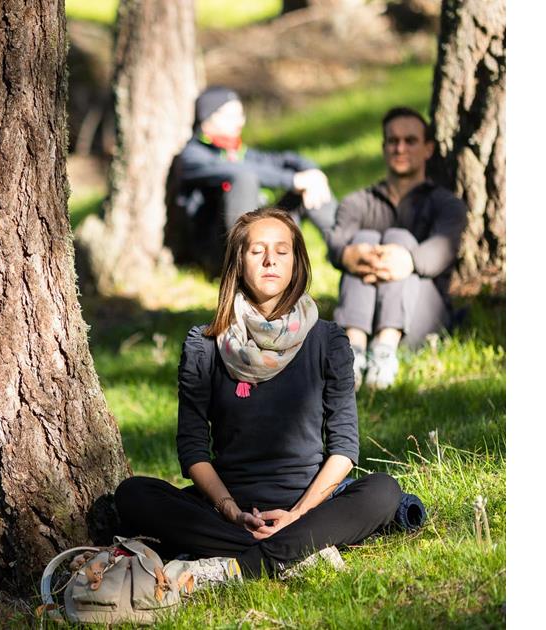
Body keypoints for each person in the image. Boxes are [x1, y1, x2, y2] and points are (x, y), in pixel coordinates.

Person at [114, 208, 401, 588]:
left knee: (384, 491)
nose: (270, 260)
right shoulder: (204, 345)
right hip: (227, 511)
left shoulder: (328, 341)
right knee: (133, 495)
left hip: (310, 505)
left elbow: (345, 449)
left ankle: (239, 566)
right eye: (258, 251)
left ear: (297, 262)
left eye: (282, 251)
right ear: (238, 261)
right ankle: (299, 553)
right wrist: (232, 512)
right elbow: (193, 450)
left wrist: (299, 514)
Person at [326, 107, 467, 390]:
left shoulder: (447, 204)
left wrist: (407, 259)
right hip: (365, 314)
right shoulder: (358, 202)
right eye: (393, 141)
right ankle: (353, 353)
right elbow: (336, 241)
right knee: (363, 237)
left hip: (421, 317)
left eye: (410, 140)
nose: (400, 148)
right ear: (383, 147)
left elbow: (442, 249)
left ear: (428, 149)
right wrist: (348, 254)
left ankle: (384, 353)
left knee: (399, 239)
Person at [171, 86, 337, 268]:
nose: (239, 122)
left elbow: (286, 159)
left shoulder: (238, 152)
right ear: (206, 119)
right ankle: (244, 269)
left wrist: (313, 173)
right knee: (244, 178)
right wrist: (293, 180)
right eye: (230, 115)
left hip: (262, 240)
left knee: (312, 185)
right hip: (220, 254)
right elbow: (237, 170)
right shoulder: (192, 157)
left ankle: (345, 250)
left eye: (240, 115)